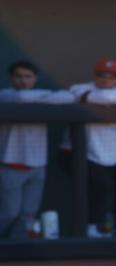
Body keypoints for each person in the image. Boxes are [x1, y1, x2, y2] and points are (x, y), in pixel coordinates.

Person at [60, 58, 116, 237]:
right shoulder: (80, 88)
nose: (106, 79)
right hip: (76, 152)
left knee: (104, 191)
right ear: (94, 76)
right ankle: (89, 228)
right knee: (98, 189)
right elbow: (103, 97)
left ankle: (95, 227)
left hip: (108, 152)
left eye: (112, 76)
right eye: (102, 75)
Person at [0, 61, 75, 240]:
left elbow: (69, 97)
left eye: (28, 76)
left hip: (38, 165)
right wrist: (46, 98)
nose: (23, 80)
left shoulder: (40, 97)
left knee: (28, 214)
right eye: (19, 76)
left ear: (35, 78)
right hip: (10, 164)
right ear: (11, 78)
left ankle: (17, 248)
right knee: (9, 213)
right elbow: (20, 98)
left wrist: (43, 98)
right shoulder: (5, 95)